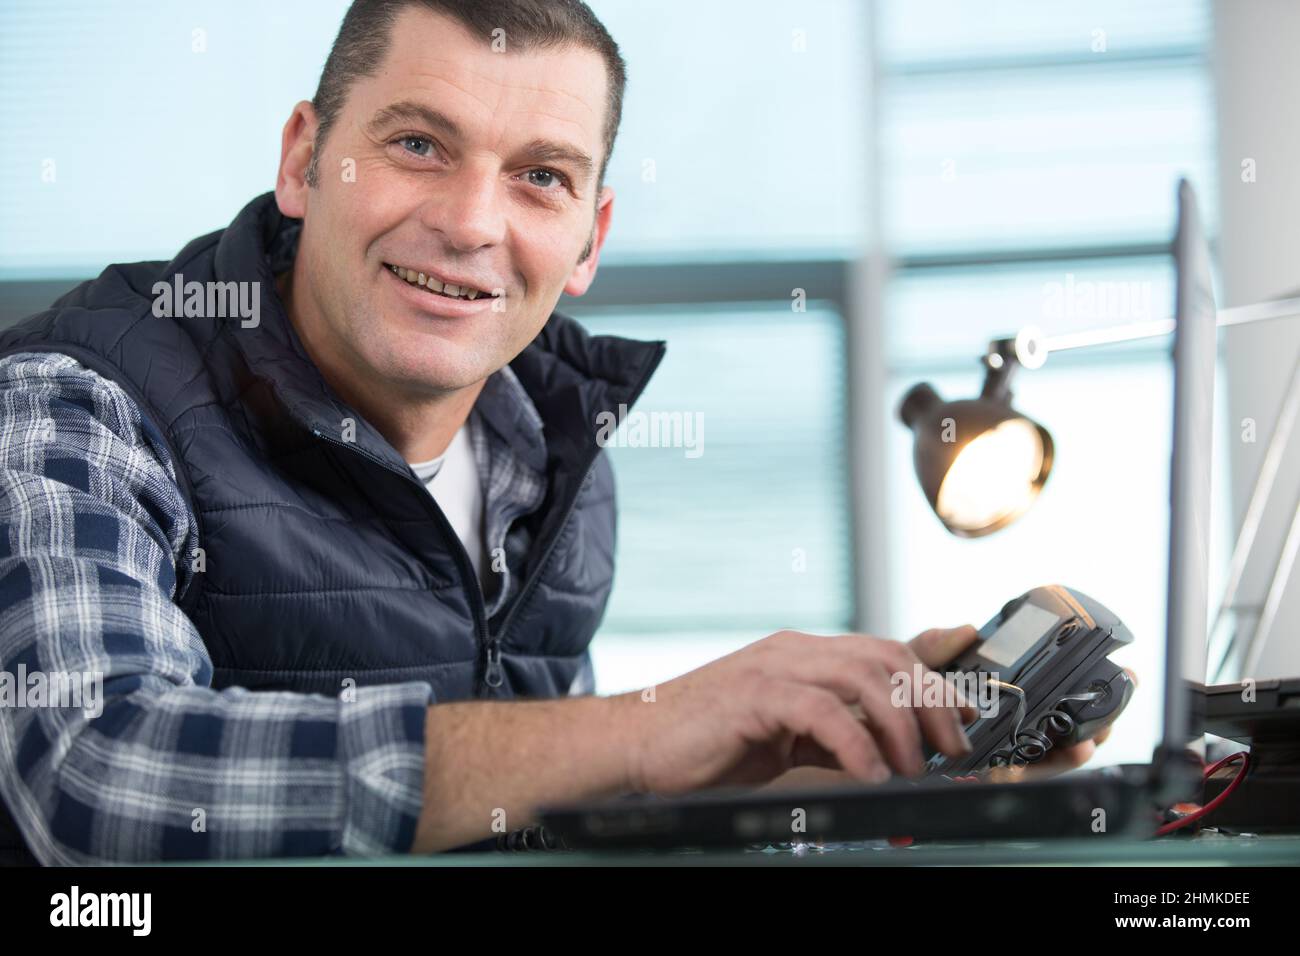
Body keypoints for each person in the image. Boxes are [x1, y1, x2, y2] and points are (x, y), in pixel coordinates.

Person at [0, 0, 1108, 865]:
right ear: (303, 159)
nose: (474, 222)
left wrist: (813, 774)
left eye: (540, 176)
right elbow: (95, 776)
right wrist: (645, 725)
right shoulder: (79, 397)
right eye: (420, 145)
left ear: (589, 236)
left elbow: (526, 812)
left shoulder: (550, 447)